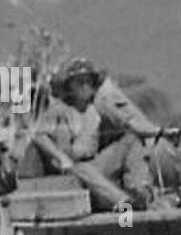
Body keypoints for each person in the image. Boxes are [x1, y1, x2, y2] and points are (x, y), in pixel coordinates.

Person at [36, 56, 155, 208]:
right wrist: (60, 157)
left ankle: (139, 191)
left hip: (96, 164)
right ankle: (124, 203)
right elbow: (38, 135)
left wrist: (158, 132)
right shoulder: (60, 110)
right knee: (81, 168)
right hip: (72, 173)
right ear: (70, 86)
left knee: (131, 140)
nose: (85, 86)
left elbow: (130, 124)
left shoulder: (99, 107)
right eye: (79, 82)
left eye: (89, 81)